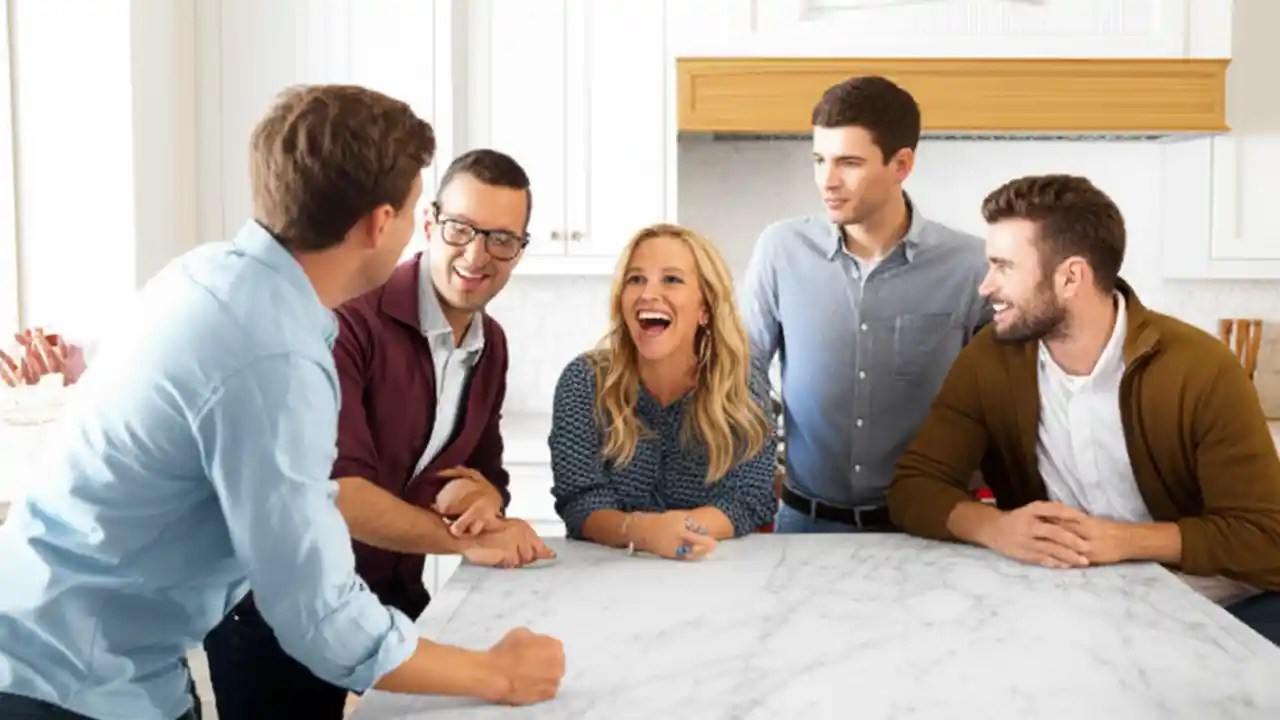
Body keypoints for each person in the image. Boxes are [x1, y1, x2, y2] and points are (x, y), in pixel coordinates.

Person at [0, 84, 563, 720]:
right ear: (384, 223)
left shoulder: (208, 275)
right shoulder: (276, 357)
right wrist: (496, 674)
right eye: (415, 212)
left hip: (94, 658)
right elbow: (318, 614)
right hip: (64, 684)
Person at [203, 149, 557, 719]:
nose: (477, 254)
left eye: (501, 239)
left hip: (387, 605)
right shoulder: (347, 322)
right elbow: (341, 492)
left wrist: (481, 496)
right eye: (461, 229)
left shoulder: (490, 346)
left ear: (519, 249)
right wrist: (467, 540)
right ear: (430, 224)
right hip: (277, 617)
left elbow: (483, 471)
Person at [888, 173, 1280, 644]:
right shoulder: (991, 357)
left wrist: (1124, 540)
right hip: (1081, 605)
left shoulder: (1200, 367)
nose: (985, 286)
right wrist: (997, 528)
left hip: (1221, 608)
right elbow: (914, 487)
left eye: (1003, 266)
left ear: (1070, 276)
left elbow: (1265, 536)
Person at [741, 75, 989, 534]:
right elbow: (741, 374)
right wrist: (750, 477)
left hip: (924, 532)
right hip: (802, 527)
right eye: (819, 160)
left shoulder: (971, 265)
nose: (827, 181)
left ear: (901, 164)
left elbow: (999, 400)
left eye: (848, 162)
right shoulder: (781, 249)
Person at [549, 223, 776, 560]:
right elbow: (580, 502)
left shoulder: (741, 383)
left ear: (705, 308)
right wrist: (642, 533)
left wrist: (677, 532)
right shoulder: (584, 382)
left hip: (709, 571)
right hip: (604, 578)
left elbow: (747, 498)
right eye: (635, 279)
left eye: (672, 279)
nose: (648, 293)